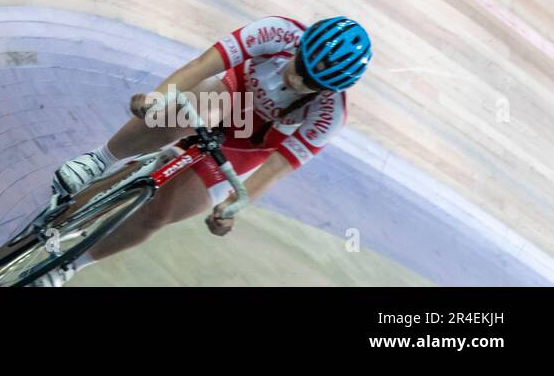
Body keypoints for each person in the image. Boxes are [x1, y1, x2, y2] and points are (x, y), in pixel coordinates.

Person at [32, 15, 370, 286]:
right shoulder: (277, 32)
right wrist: (158, 97)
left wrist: (232, 206)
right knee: (184, 110)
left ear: (330, 88)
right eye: (299, 67)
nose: (297, 81)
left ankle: (70, 266)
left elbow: (276, 167)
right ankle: (99, 160)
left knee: (160, 215)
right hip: (227, 97)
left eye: (311, 83)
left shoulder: (331, 113)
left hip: (247, 147)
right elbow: (202, 65)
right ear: (299, 45)